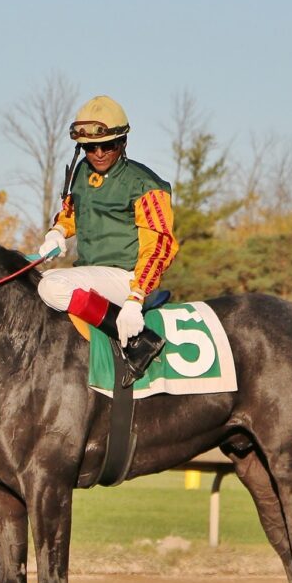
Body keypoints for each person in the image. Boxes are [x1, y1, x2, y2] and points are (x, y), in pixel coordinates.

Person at [34, 95, 178, 383]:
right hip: (93, 273)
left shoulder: (145, 185)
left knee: (51, 285)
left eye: (107, 145)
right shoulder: (82, 172)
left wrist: (136, 298)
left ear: (122, 143)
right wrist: (59, 231)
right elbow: (73, 211)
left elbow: (160, 246)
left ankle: (140, 342)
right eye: (89, 147)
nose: (98, 153)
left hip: (129, 279)